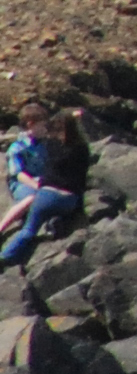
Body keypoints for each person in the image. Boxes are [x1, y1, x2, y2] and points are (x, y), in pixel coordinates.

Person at [0, 100, 88, 267]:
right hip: (25, 183)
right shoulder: (18, 147)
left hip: (44, 183)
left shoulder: (46, 144)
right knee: (31, 199)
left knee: (35, 217)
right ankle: (2, 227)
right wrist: (37, 187)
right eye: (42, 126)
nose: (46, 129)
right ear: (30, 124)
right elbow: (18, 174)